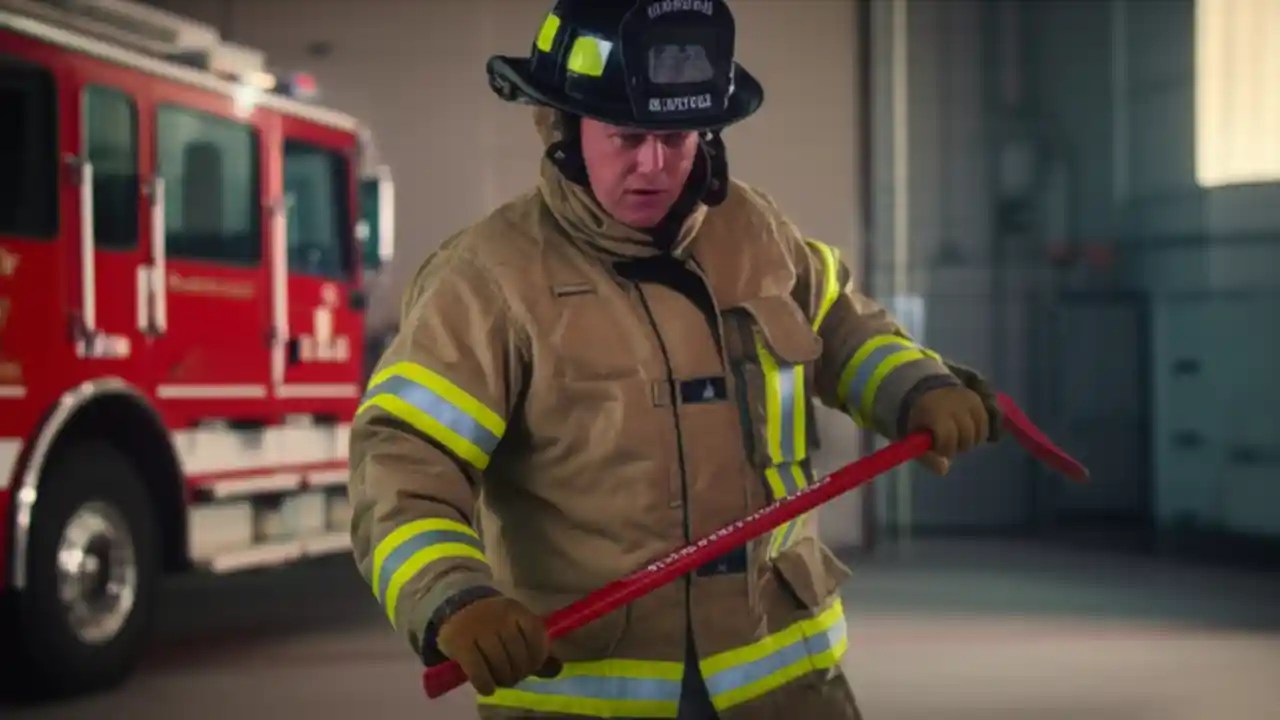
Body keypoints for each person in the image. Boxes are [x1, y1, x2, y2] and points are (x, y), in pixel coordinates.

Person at [347, 1, 1000, 718]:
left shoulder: (757, 230)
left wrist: (917, 387)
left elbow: (844, 328)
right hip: (591, 698)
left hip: (785, 683)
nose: (654, 165)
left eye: (677, 135)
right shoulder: (487, 281)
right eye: (627, 136)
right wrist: (452, 597)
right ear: (563, 130)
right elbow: (404, 462)